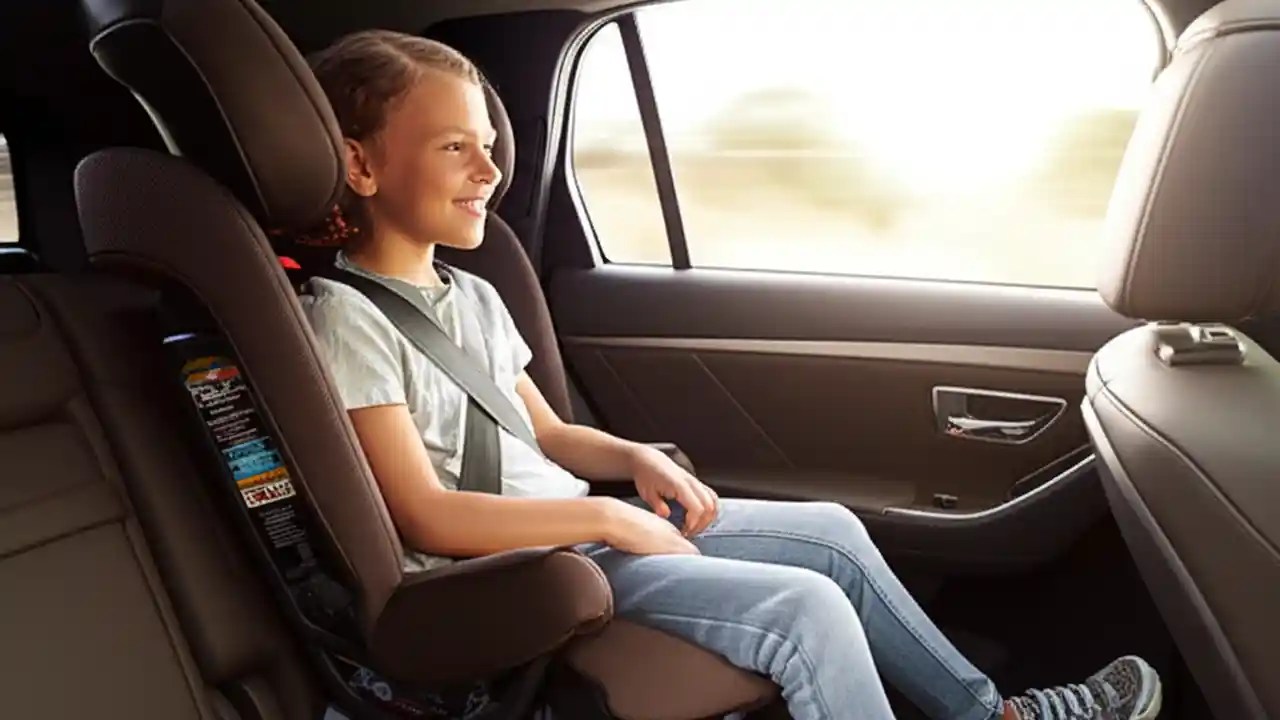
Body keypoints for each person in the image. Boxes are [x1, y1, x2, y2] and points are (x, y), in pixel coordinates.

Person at [299, 29, 1163, 720]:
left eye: (489, 144)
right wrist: (609, 514)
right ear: (364, 166)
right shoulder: (345, 320)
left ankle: (988, 715)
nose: (491, 169)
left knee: (833, 531)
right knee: (806, 612)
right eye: (456, 147)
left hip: (575, 530)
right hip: (514, 572)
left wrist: (637, 459)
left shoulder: (476, 295)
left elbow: (548, 433)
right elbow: (426, 514)